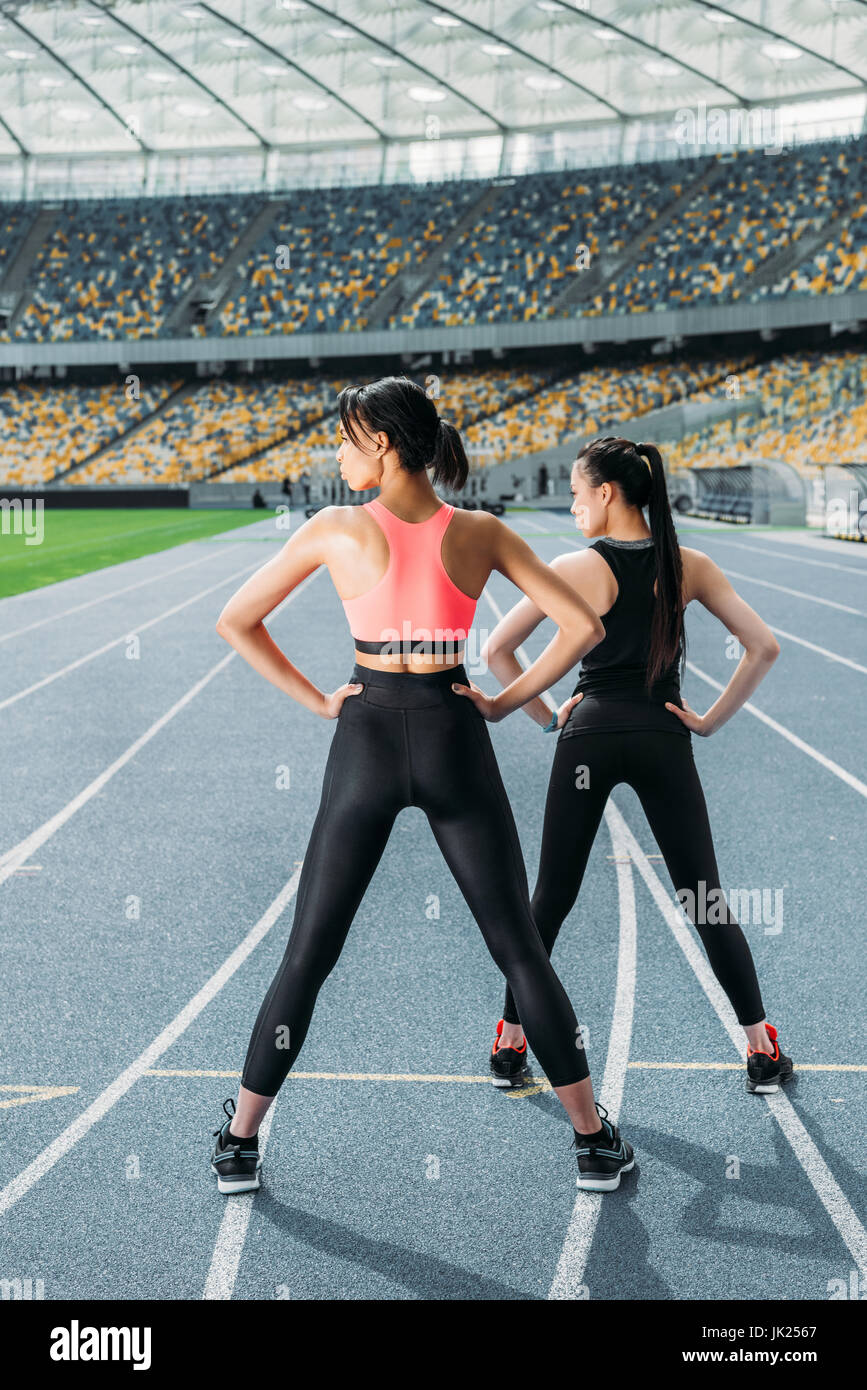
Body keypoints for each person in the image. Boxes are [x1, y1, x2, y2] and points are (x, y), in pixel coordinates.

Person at [210, 380, 635, 1197]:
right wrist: (505, 701)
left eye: (344, 438)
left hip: (366, 734)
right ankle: (592, 1144)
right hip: (451, 731)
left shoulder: (334, 528)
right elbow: (583, 627)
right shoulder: (477, 531)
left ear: (382, 443)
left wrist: (318, 699)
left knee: (309, 952)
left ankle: (238, 1143)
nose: (336, 455)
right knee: (517, 947)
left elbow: (236, 619)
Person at [483, 436, 793, 1098]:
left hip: (587, 736)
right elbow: (762, 647)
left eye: (573, 492)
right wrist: (707, 720)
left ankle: (510, 1040)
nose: (570, 506)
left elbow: (497, 650)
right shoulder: (691, 565)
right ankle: (761, 1048)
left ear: (605, 493)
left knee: (550, 897)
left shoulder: (572, 566)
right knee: (703, 897)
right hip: (661, 735)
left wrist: (545, 717)